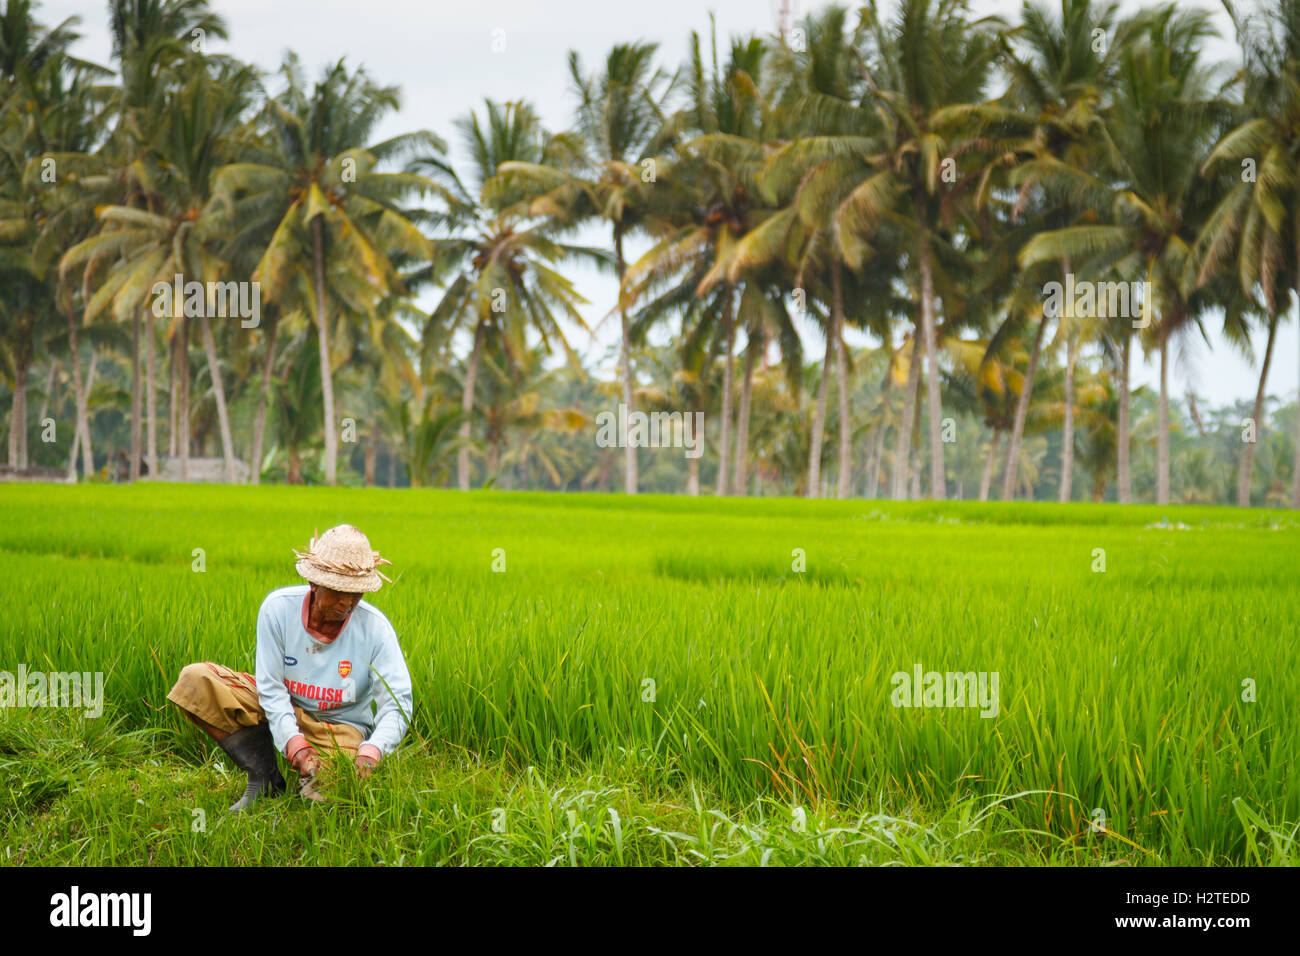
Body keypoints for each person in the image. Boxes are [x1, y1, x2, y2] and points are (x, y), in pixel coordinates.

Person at [167, 524, 414, 811]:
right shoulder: (278, 609)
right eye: (338, 591)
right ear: (314, 584)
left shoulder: (375, 628)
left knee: (328, 802)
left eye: (356, 592)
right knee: (195, 682)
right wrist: (296, 745)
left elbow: (398, 703)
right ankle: (265, 776)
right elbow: (270, 689)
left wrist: (372, 750)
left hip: (340, 727)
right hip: (281, 708)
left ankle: (313, 775)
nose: (347, 602)